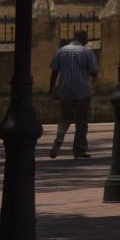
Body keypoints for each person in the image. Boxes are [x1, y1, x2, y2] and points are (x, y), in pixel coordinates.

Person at [48, 29, 99, 159]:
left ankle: (58, 139)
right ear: (84, 39)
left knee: (65, 118)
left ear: (74, 37)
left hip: (65, 90)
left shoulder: (61, 51)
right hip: (82, 90)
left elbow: (54, 72)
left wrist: (52, 89)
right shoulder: (87, 52)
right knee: (81, 121)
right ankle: (79, 150)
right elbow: (94, 72)